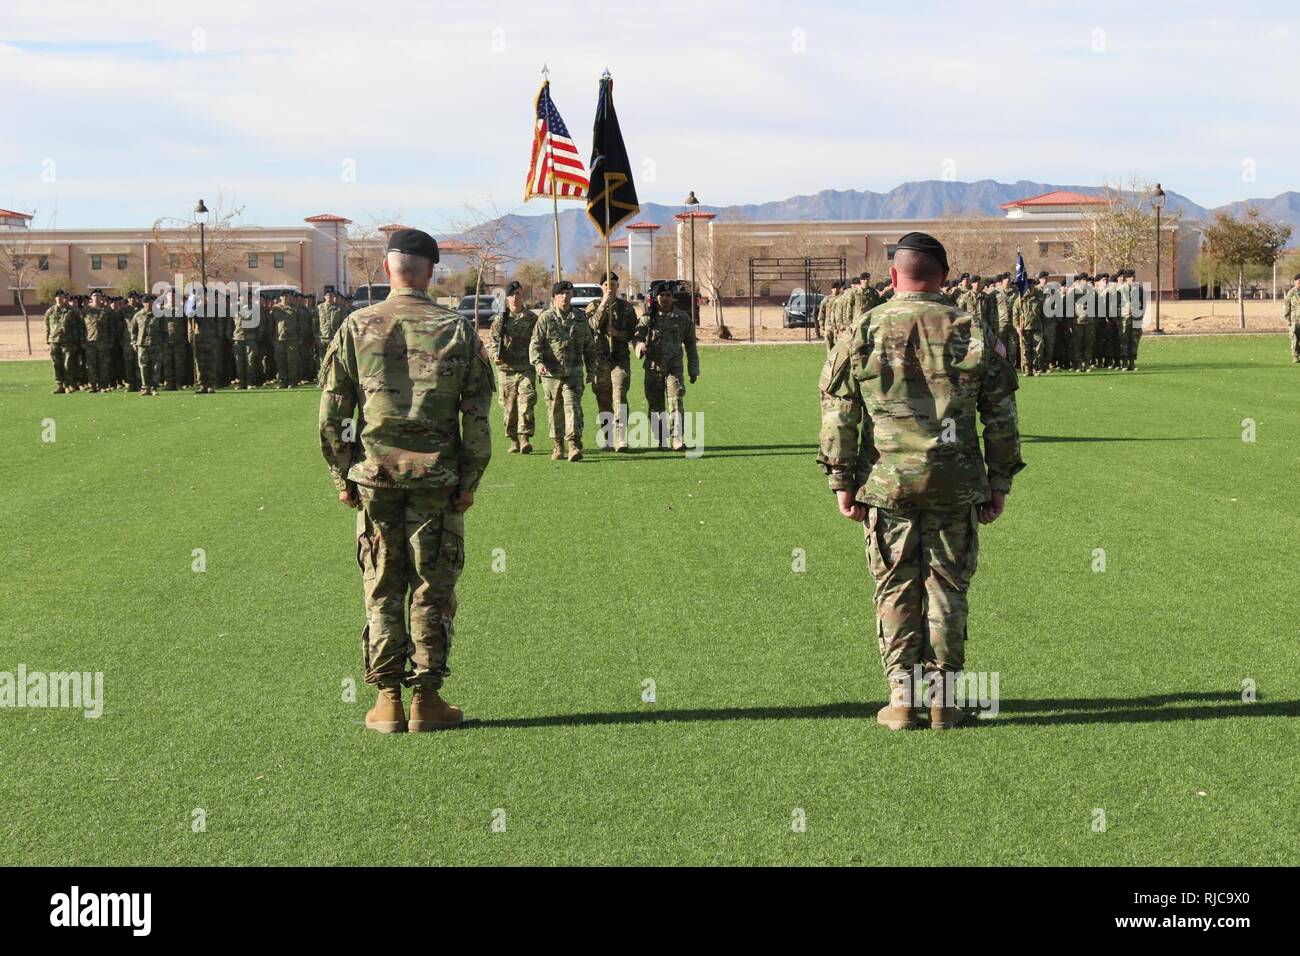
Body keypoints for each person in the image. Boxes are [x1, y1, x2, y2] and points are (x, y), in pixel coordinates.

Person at [818, 232, 1024, 730]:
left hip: (888, 485)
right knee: (948, 588)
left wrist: (842, 479)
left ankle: (902, 701)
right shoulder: (973, 329)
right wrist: (999, 482)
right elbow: (1001, 416)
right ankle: (944, 702)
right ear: (945, 278)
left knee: (894, 586)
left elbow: (839, 413)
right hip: (956, 484)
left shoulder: (862, 329)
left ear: (894, 276)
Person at [319, 228, 493, 734]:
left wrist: (342, 473)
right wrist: (470, 478)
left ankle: (388, 699)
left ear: (387, 267)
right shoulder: (456, 329)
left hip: (374, 477)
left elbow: (333, 414)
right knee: (431, 585)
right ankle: (428, 700)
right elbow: (477, 416)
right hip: (437, 479)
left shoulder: (356, 326)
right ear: (430, 271)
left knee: (382, 582)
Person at [529, 280, 596, 461]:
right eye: (561, 294)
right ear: (554, 297)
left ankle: (573, 444)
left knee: (572, 407)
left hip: (573, 372)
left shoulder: (580, 318)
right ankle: (558, 445)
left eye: (568, 293)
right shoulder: (546, 318)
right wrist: (538, 363)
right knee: (554, 410)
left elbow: (589, 346)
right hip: (551, 374)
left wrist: (592, 369)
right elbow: (535, 343)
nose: (565, 297)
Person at [634, 286, 700, 451]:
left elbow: (691, 345)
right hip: (653, 368)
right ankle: (661, 438)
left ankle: (676, 438)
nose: (665, 298)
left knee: (676, 402)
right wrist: (640, 347)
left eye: (668, 295)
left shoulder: (682, 318)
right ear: (656, 298)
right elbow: (636, 338)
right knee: (655, 405)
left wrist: (694, 369)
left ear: (673, 297)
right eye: (662, 295)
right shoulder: (648, 318)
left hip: (674, 367)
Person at [586, 271, 639, 451]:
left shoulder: (627, 308)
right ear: (602, 287)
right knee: (603, 399)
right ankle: (608, 438)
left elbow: (634, 333)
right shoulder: (593, 305)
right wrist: (603, 304)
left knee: (620, 396)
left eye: (613, 284)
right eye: (606, 285)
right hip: (600, 360)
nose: (610, 288)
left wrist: (618, 334)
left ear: (618, 286)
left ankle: (620, 438)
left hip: (619, 359)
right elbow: (592, 325)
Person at [488, 280, 539, 453]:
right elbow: (493, 342)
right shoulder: (500, 320)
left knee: (526, 403)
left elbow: (539, 341)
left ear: (523, 296)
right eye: (511, 295)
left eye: (518, 294)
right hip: (506, 370)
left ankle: (524, 438)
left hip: (526, 368)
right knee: (509, 408)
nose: (515, 298)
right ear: (507, 298)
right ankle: (513, 440)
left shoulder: (532, 318)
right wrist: (495, 354)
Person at [44, 290, 79, 394]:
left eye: (61, 296)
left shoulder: (71, 311)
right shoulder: (50, 311)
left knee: (68, 363)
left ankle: (68, 385)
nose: (59, 298)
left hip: (68, 341)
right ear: (54, 298)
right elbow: (47, 326)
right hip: (54, 341)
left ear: (64, 298)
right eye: (57, 296)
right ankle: (59, 385)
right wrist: (48, 340)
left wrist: (76, 340)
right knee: (56, 364)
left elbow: (77, 326)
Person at [132, 293, 165, 395]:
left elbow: (164, 330)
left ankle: (154, 388)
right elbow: (133, 330)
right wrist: (133, 342)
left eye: (152, 302)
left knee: (156, 367)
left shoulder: (159, 314)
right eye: (147, 302)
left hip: (156, 344)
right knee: (143, 366)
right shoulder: (138, 315)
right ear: (143, 303)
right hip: (142, 345)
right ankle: (145, 387)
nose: (150, 304)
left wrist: (163, 342)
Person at [1284, 273, 1300, 364]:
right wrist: (1287, 319)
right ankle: (1295, 356)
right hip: (1294, 320)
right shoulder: (1291, 293)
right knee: (1294, 339)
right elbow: (1287, 306)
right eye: (1298, 281)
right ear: (1295, 282)